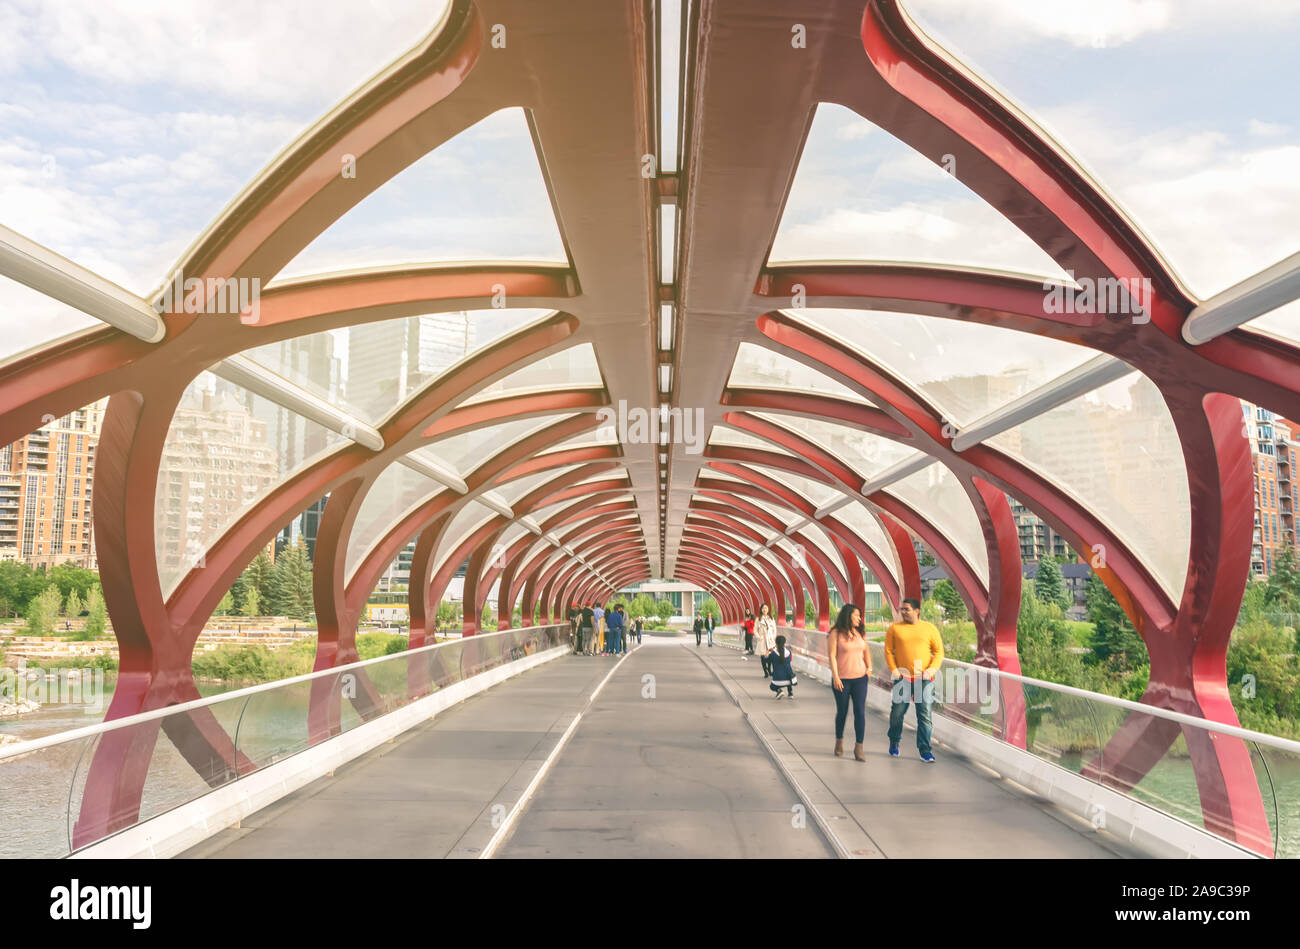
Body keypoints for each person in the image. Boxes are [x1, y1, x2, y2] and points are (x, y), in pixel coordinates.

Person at [885, 597, 944, 762]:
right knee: (897, 713)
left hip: (924, 679)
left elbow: (939, 652)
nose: (903, 612)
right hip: (903, 678)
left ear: (917, 611)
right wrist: (894, 670)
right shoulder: (894, 629)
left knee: (924, 715)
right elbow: (889, 651)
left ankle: (925, 750)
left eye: (906, 609)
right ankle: (894, 742)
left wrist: (932, 669)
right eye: (902, 609)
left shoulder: (930, 629)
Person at [828, 602, 872, 762]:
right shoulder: (835, 633)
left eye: (860, 616)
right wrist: (836, 677)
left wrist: (870, 669)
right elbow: (832, 655)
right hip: (842, 680)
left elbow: (866, 650)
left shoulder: (860, 632)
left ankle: (858, 747)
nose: (859, 619)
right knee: (842, 712)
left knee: (860, 712)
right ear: (848, 616)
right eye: (856, 615)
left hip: (860, 678)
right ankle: (839, 741)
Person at [768, 634, 797, 700]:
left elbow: (768, 660)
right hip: (790, 680)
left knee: (772, 687)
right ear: (784, 642)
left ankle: (779, 691)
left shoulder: (773, 653)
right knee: (787, 673)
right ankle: (790, 693)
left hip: (777, 679)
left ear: (776, 643)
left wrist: (768, 653)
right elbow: (790, 660)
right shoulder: (789, 653)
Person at [755, 603, 777, 677]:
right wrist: (759, 637)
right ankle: (765, 672)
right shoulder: (758, 619)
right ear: (761, 610)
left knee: (770, 656)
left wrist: (773, 637)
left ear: (768, 610)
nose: (765, 609)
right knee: (763, 657)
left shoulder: (771, 618)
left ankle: (769, 670)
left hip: (770, 640)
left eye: (766, 608)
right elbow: (755, 630)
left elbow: (774, 629)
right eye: (763, 608)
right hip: (762, 640)